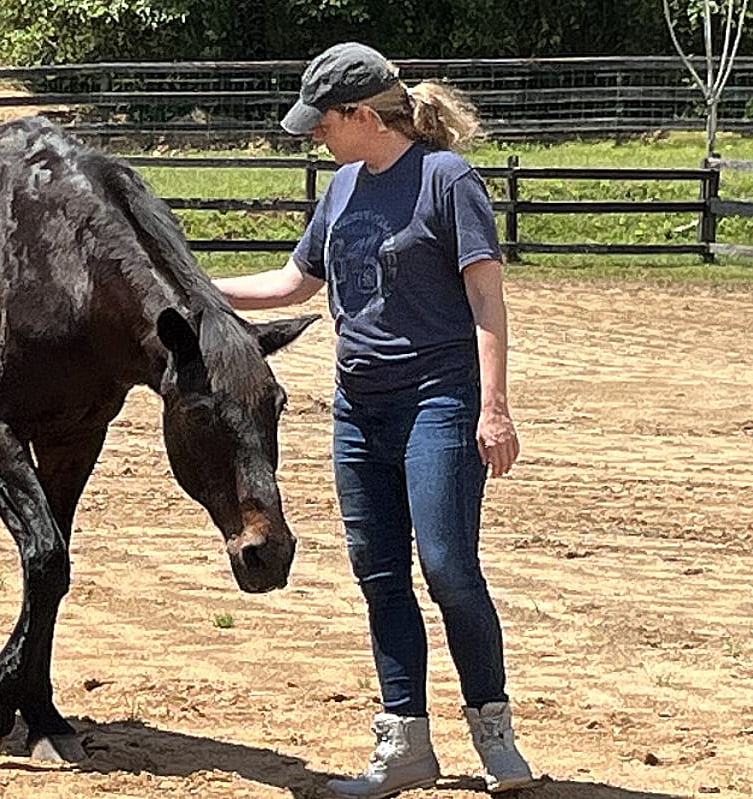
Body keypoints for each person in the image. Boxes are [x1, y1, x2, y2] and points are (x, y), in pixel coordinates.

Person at [214, 42, 535, 796]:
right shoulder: (341, 188)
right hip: (358, 410)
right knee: (380, 573)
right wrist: (195, 285)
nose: (316, 136)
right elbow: (294, 282)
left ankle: (494, 732)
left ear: (361, 114)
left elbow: (486, 299)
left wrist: (494, 407)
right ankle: (405, 743)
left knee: (448, 566)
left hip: (439, 401)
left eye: (323, 122)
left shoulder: (446, 180)